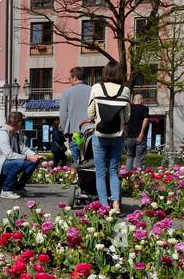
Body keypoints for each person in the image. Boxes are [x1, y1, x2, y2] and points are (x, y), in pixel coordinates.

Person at [87, 64, 131, 212]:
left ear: (104, 73)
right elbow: (127, 116)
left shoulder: (96, 88)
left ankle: (104, 206)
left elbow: (90, 113)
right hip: (117, 136)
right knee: (113, 171)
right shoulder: (125, 90)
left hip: (99, 135)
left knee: (100, 172)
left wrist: (95, 118)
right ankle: (116, 203)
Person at [0, 111, 41, 199]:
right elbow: (9, 155)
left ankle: (19, 188)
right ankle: (6, 190)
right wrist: (28, 157)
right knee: (19, 163)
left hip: (5, 162)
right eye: (22, 122)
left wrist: (35, 156)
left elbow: (23, 149)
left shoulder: (15, 134)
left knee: (33, 162)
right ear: (19, 123)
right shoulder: (2, 134)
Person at [59, 67, 92, 165]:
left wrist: (65, 130)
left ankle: (77, 178)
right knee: (89, 158)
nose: (69, 81)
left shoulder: (67, 93)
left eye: (70, 78)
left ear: (75, 77)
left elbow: (63, 115)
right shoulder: (92, 90)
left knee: (76, 159)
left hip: (74, 132)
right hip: (89, 131)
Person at [124, 95, 150, 172]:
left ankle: (127, 178)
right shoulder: (144, 108)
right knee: (139, 158)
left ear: (133, 101)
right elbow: (145, 120)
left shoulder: (129, 109)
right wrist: (141, 133)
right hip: (140, 137)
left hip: (129, 137)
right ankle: (137, 180)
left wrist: (126, 134)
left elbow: (124, 121)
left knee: (129, 157)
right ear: (141, 100)